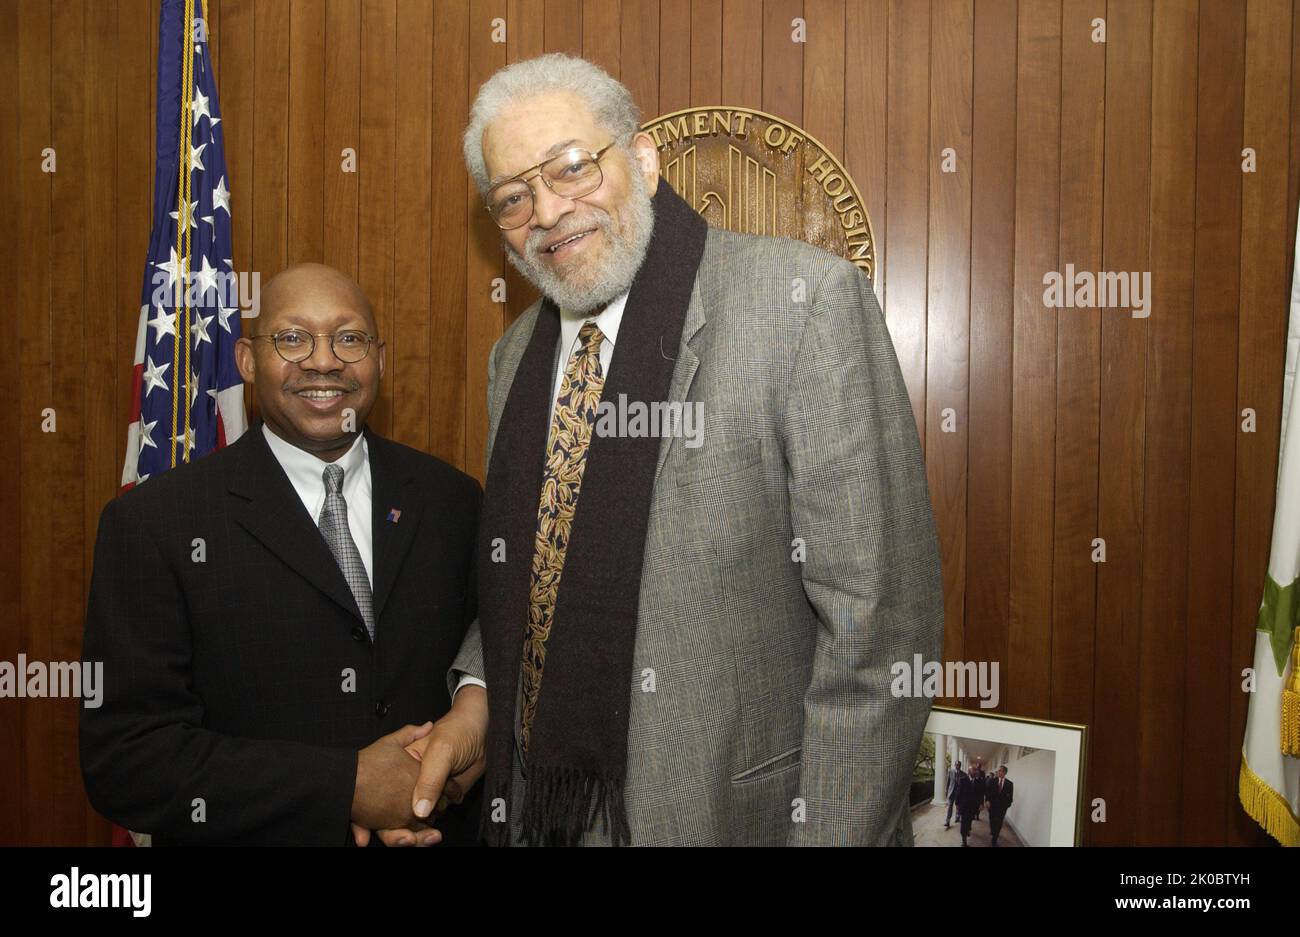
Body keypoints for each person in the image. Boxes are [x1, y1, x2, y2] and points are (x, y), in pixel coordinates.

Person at [409, 52, 944, 847]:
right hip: (541, 813)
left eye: (570, 168)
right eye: (513, 196)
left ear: (645, 159)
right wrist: (476, 700)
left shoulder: (802, 307)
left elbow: (879, 635)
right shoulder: (513, 356)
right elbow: (533, 568)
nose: (548, 212)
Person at [80, 263, 484, 845]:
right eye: (293, 339)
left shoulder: (453, 501)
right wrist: (346, 786)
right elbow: (126, 760)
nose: (324, 362)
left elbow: (494, 663)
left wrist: (439, 782)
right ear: (246, 360)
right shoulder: (155, 524)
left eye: (350, 339)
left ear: (380, 360)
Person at [987, 765, 1014, 846]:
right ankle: (993, 831)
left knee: (998, 823)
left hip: (1002, 808)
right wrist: (987, 800)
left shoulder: (1009, 784)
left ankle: (994, 838)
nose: (998, 772)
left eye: (1000, 771)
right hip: (992, 806)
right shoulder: (992, 781)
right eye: (998, 770)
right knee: (992, 820)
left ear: (1005, 772)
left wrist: (1006, 806)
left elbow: (1010, 798)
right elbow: (988, 792)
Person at [955, 765, 982, 846]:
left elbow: (980, 794)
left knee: (970, 820)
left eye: (975, 770)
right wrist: (957, 803)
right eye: (973, 770)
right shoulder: (963, 780)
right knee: (964, 823)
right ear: (969, 771)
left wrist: (981, 803)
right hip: (964, 806)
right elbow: (958, 792)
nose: (975, 772)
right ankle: (964, 840)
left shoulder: (978, 781)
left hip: (973, 807)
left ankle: (968, 830)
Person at [945, 759, 962, 830]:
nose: (957, 766)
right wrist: (946, 790)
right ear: (954, 765)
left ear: (960, 766)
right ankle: (947, 821)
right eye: (956, 764)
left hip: (959, 793)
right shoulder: (950, 771)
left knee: (958, 806)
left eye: (958, 765)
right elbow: (948, 781)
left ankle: (957, 817)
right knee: (950, 807)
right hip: (951, 792)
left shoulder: (962, 773)